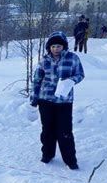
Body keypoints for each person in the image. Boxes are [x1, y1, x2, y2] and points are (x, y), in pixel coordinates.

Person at [30, 31, 85, 170]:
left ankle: (70, 159)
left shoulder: (73, 58)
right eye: (53, 46)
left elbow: (80, 74)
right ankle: (47, 154)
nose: (55, 49)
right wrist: (34, 98)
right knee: (47, 129)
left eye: (58, 46)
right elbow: (37, 80)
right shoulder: (44, 60)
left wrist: (71, 80)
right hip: (46, 100)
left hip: (64, 101)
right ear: (49, 47)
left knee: (65, 130)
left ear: (64, 47)